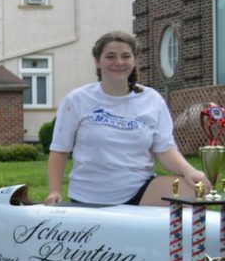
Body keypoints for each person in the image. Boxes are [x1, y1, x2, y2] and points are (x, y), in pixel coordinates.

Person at [45, 31, 208, 206]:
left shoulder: (152, 99)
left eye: (125, 56)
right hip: (89, 196)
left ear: (134, 60)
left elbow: (165, 149)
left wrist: (189, 171)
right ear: (97, 61)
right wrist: (55, 191)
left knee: (197, 190)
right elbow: (60, 151)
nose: (119, 62)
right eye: (110, 57)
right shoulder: (77, 100)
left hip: (141, 191)